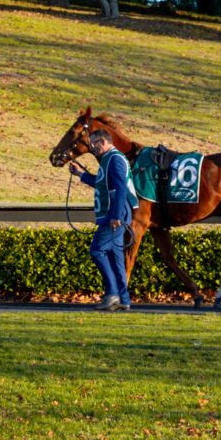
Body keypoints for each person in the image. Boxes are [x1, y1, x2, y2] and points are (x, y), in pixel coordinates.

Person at [72, 127, 137, 311]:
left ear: (103, 142)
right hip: (114, 214)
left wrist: (116, 216)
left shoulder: (114, 159)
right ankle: (123, 299)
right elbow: (101, 183)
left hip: (114, 215)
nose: (92, 148)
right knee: (115, 256)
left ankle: (112, 294)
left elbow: (121, 188)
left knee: (97, 251)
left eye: (94, 144)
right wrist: (80, 175)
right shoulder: (109, 159)